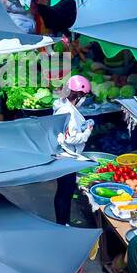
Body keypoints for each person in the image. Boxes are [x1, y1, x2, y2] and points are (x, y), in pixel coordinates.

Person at [52, 75, 93, 225]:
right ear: (79, 96)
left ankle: (63, 222)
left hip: (62, 155)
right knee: (65, 192)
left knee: (63, 191)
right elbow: (70, 138)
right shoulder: (68, 112)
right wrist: (87, 131)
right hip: (66, 157)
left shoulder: (61, 105)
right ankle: (63, 223)